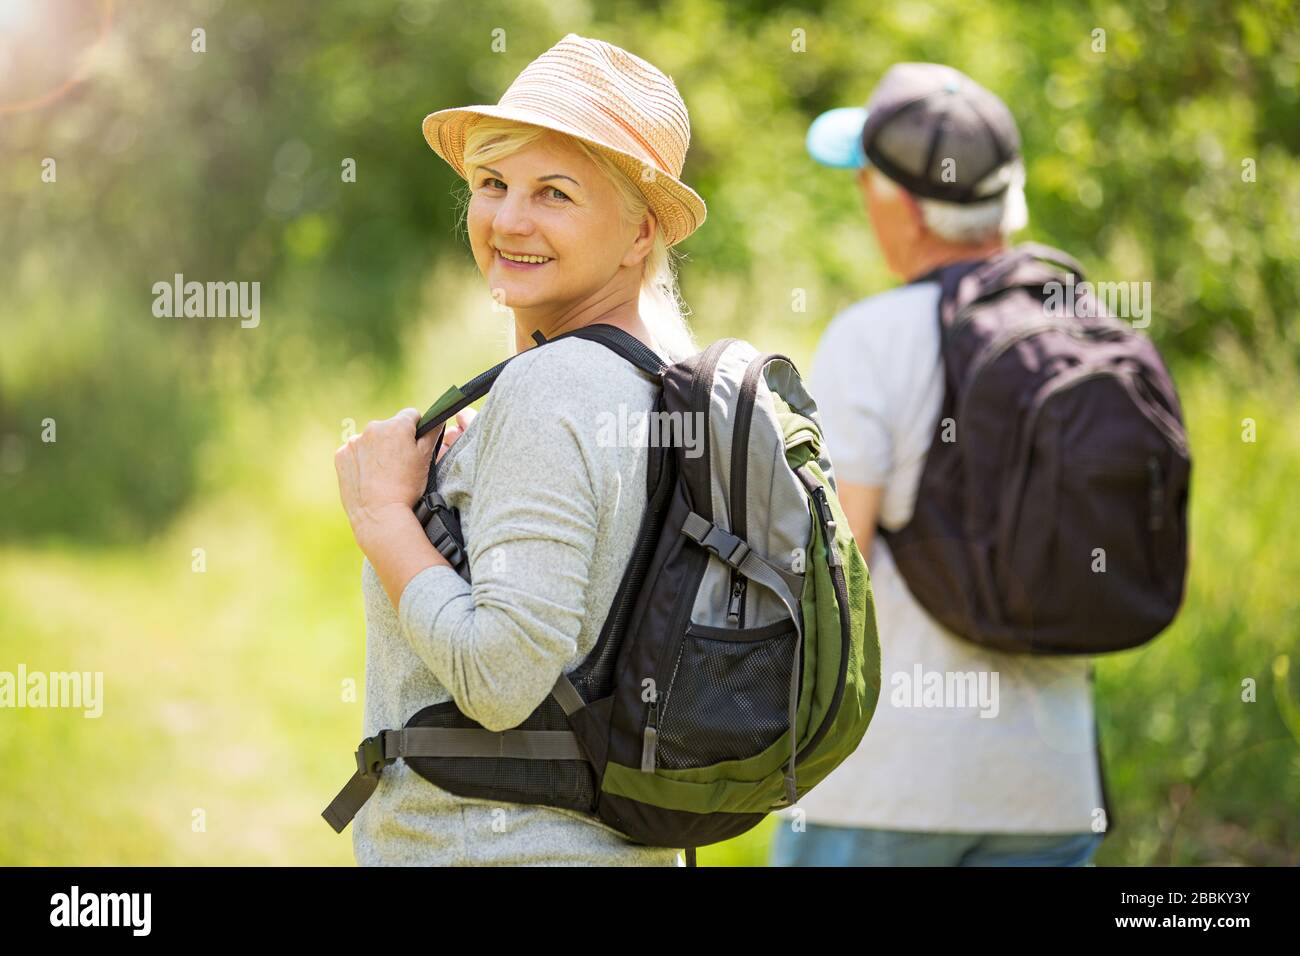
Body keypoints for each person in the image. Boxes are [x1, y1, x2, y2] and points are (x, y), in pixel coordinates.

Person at [332, 33, 706, 865]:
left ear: (640, 231)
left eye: (555, 194)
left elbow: (500, 679)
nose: (508, 219)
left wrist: (384, 517)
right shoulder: (665, 381)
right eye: (493, 184)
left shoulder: (554, 390)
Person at [772, 63, 1107, 866]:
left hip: (888, 787)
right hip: (1052, 787)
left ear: (900, 205)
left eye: (865, 184)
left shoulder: (873, 335)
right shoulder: (1083, 325)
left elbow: (837, 562)